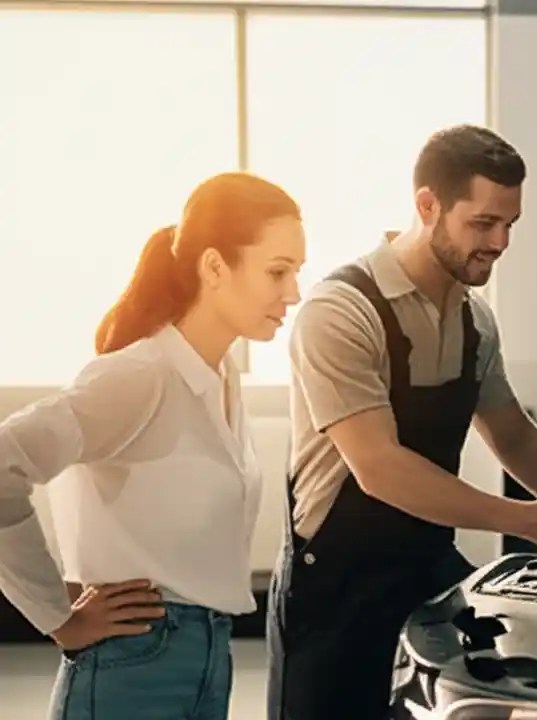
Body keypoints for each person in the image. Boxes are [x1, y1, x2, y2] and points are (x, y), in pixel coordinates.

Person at [266, 124, 537, 720]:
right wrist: (525, 521)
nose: (501, 241)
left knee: (485, 700)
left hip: (427, 569)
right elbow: (378, 467)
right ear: (428, 206)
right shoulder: (341, 311)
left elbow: (512, 433)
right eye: (483, 223)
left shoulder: (474, 320)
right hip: (335, 589)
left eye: (511, 224)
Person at [0, 172, 307, 720]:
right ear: (215, 267)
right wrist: (57, 616)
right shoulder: (139, 375)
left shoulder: (220, 378)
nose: (294, 293)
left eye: (297, 273)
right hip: (135, 663)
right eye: (278, 271)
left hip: (207, 658)